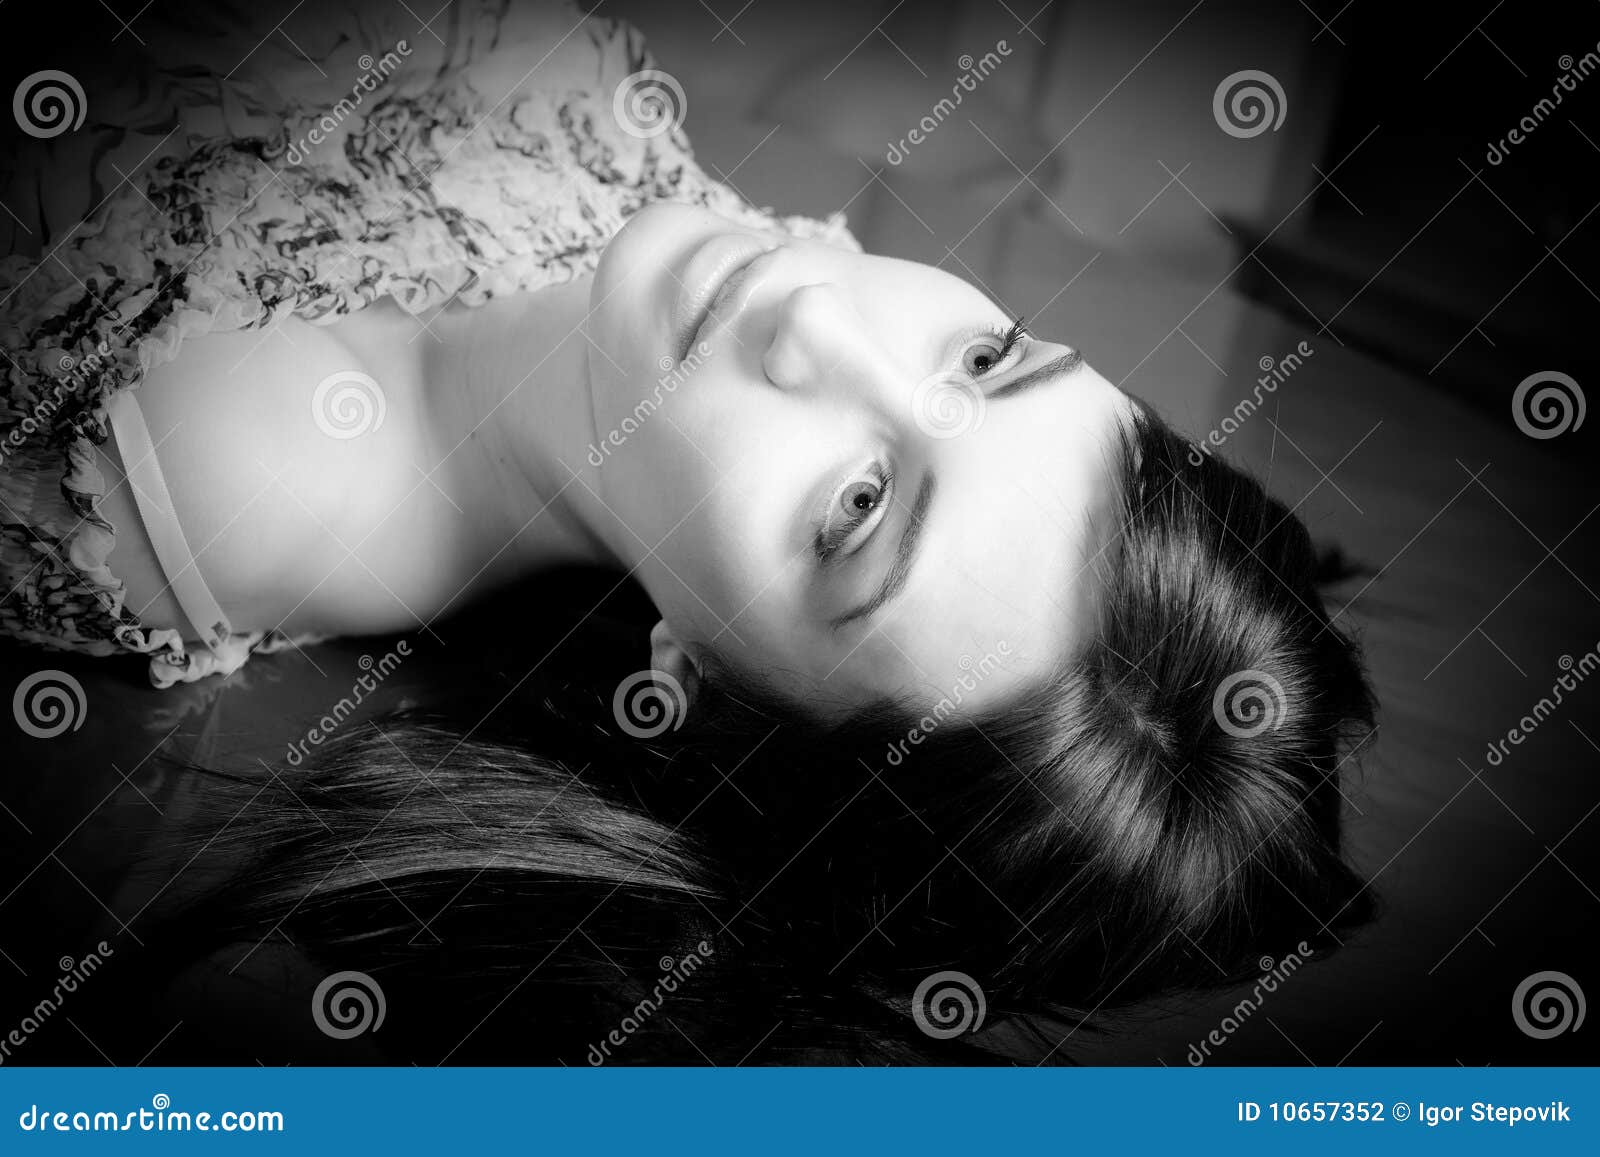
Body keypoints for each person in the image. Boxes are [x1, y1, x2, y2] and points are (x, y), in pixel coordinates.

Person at [1, 0, 1375, 1062]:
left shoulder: (230, 453)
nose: (822, 317)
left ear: (706, 680)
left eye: (856, 505)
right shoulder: (717, 278)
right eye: (987, 359)